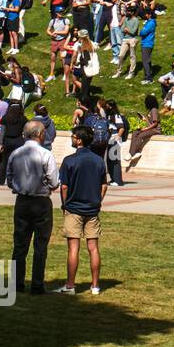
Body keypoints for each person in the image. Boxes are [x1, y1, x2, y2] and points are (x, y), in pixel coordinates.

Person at [5, 120, 59, 294]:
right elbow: (54, 181)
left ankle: (17, 283)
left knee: (20, 244)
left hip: (22, 201)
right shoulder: (46, 154)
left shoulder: (16, 154)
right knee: (40, 245)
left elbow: (9, 178)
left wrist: (19, 186)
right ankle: (37, 283)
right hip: (41, 201)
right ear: (40, 135)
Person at [57, 126, 108, 295]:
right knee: (93, 248)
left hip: (74, 208)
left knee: (73, 248)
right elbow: (103, 185)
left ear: (79, 139)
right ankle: (95, 286)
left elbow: (64, 186)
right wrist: (97, 200)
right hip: (92, 209)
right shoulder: (99, 160)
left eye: (73, 137)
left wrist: (65, 204)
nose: (72, 139)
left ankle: (70, 285)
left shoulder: (69, 160)